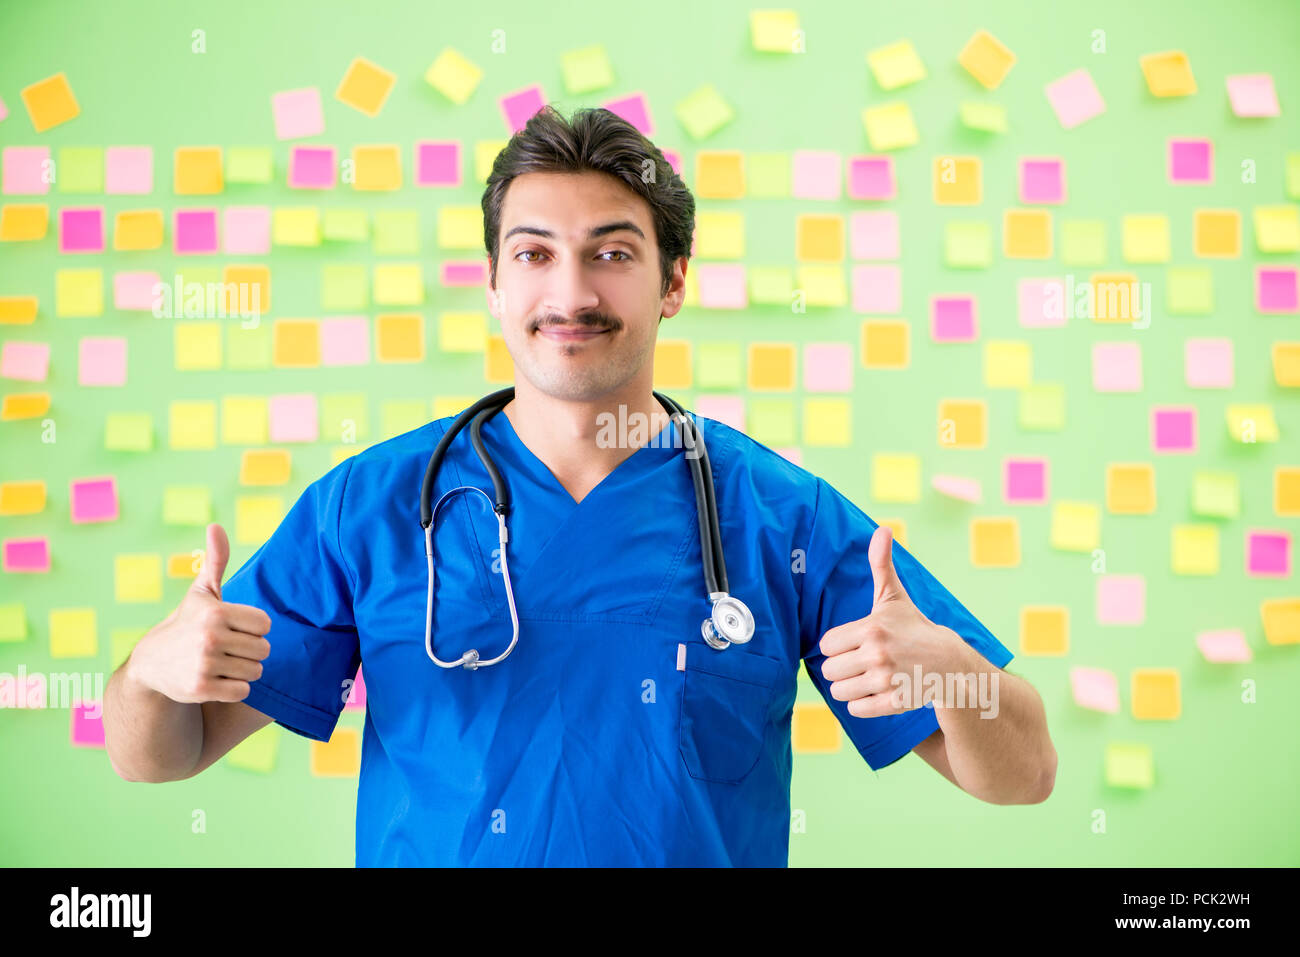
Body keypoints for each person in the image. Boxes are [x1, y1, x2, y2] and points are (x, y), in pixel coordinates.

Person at [104, 106, 1057, 866]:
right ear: (492, 282)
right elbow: (162, 755)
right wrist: (150, 673)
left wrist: (955, 671)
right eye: (533, 253)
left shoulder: (782, 516)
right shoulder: (372, 506)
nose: (571, 293)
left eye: (612, 251)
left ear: (673, 280)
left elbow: (1025, 776)